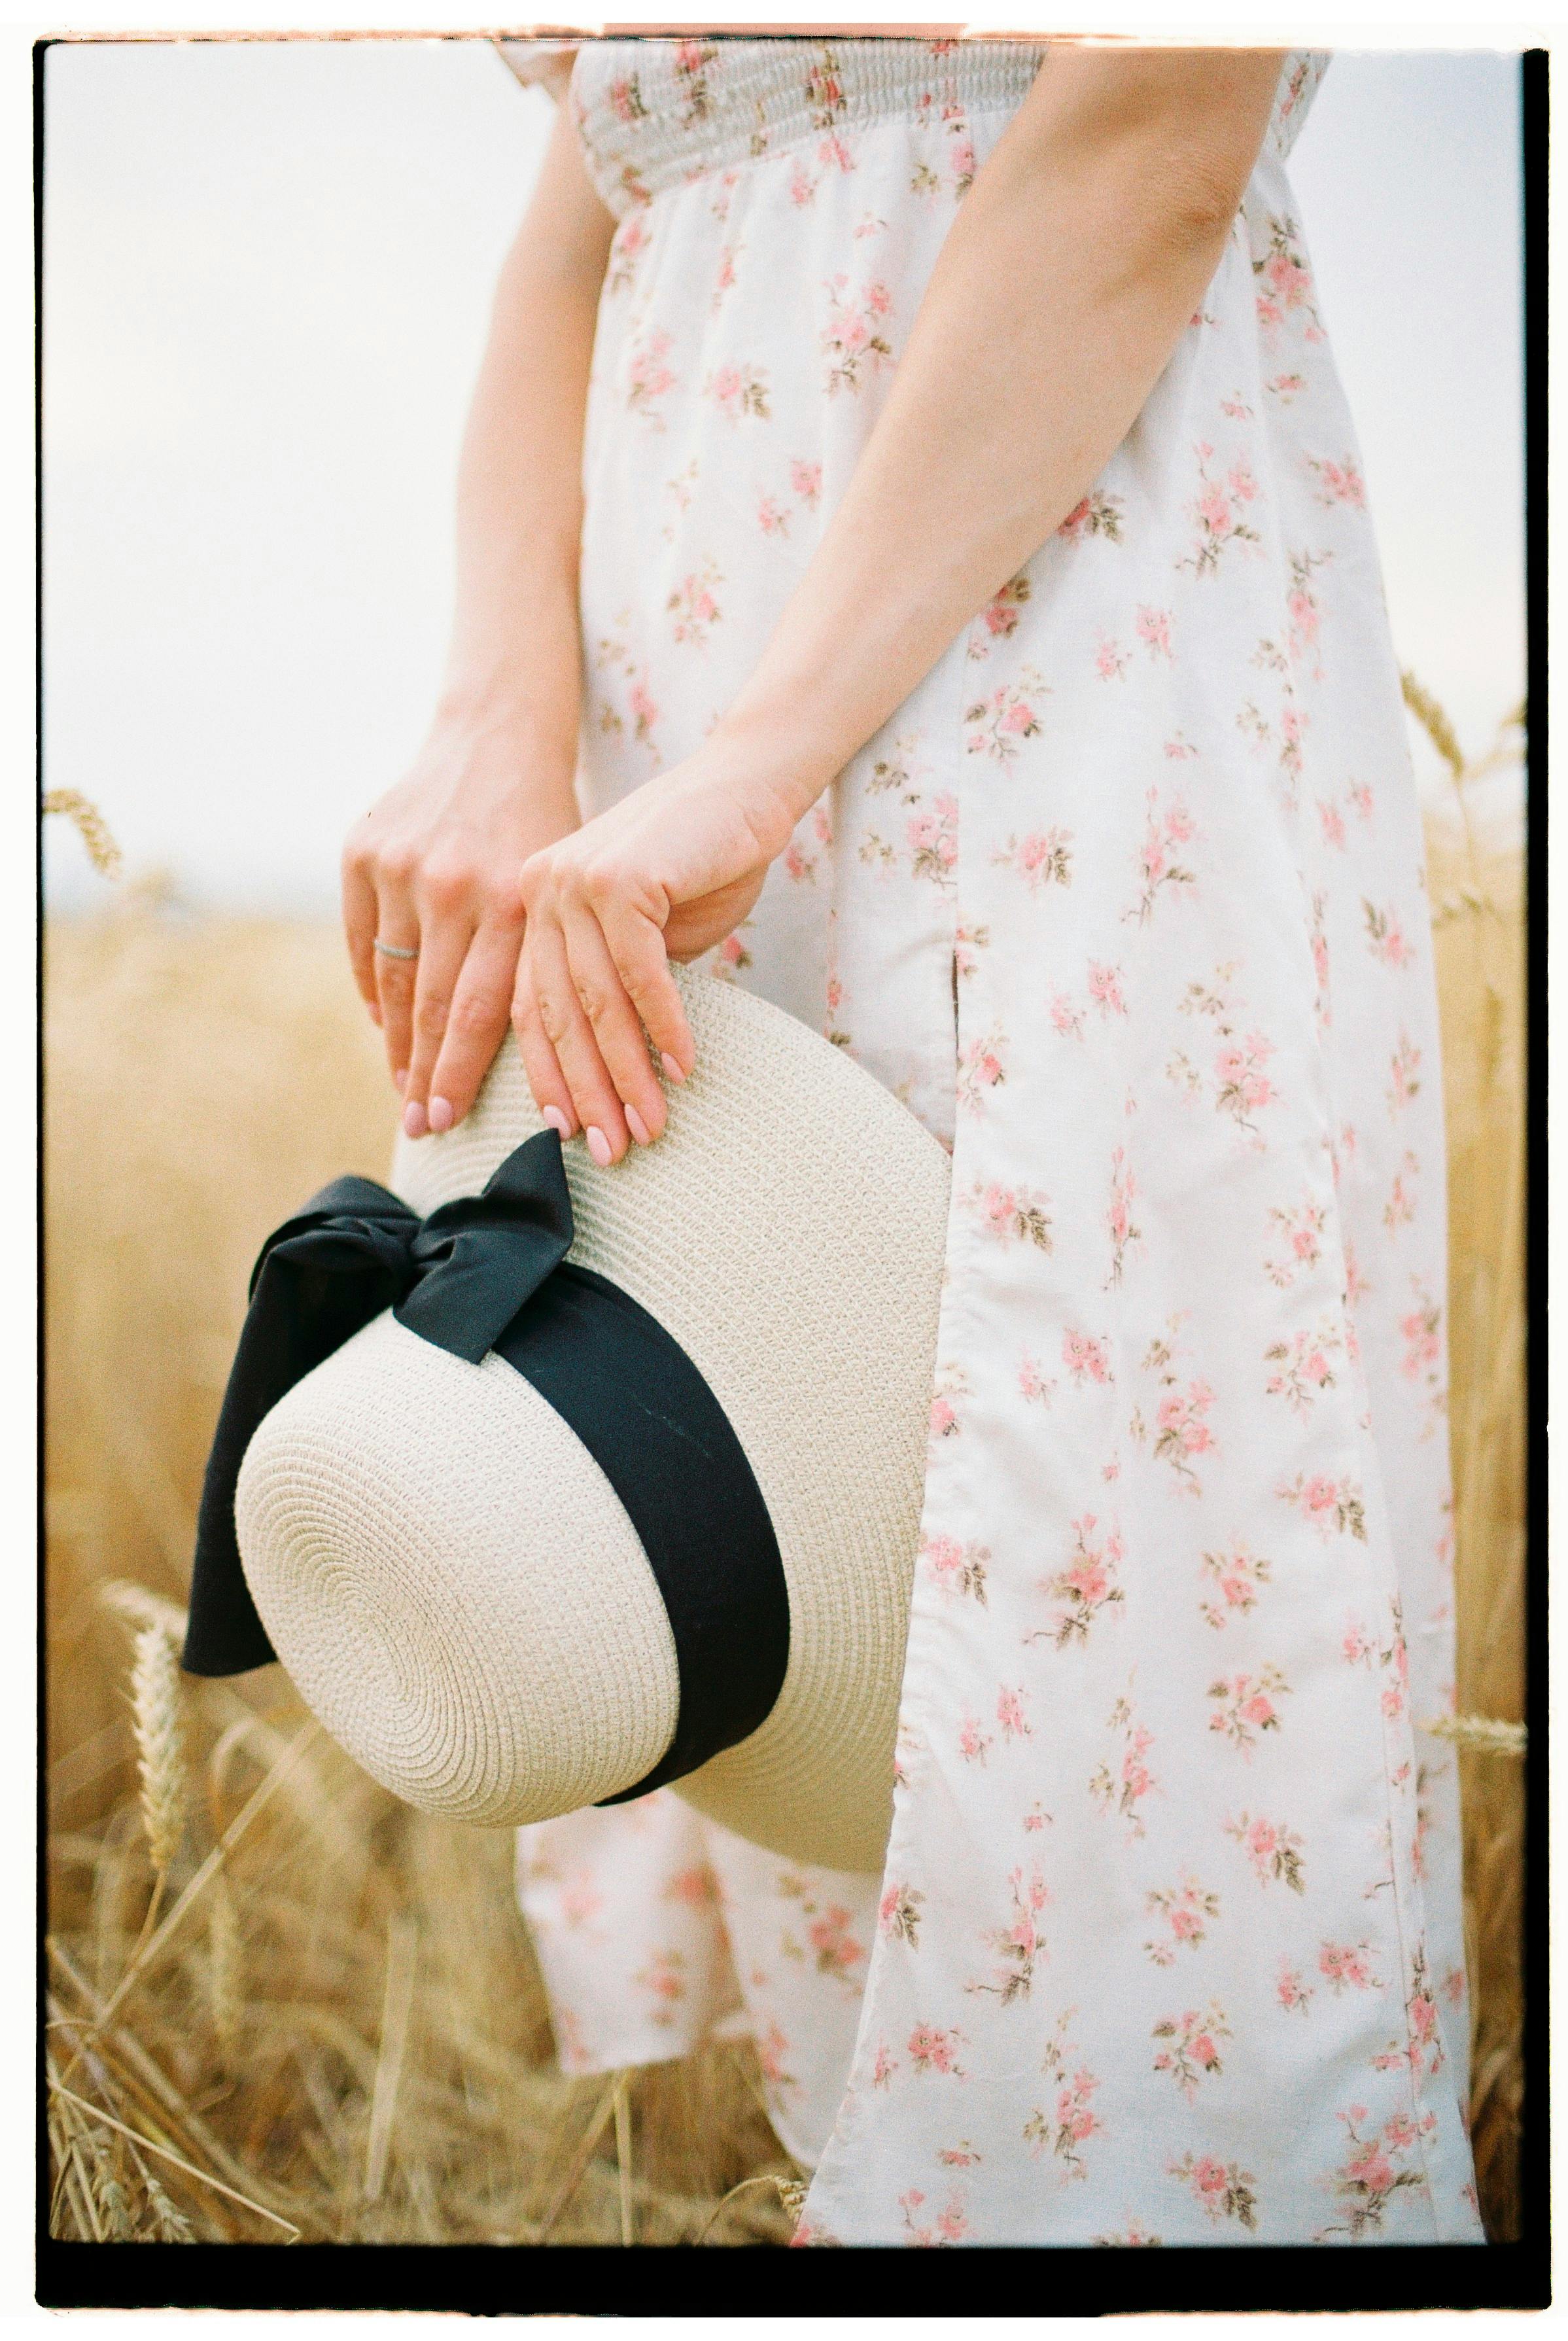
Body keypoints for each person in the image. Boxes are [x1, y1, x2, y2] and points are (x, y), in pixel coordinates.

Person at [341, 36, 1482, 2245]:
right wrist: (505, 713)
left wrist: (768, 757)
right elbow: (586, 207)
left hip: (1056, 649)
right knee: (821, 1543)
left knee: (1105, 1588)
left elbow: (1162, 113)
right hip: (682, 711)